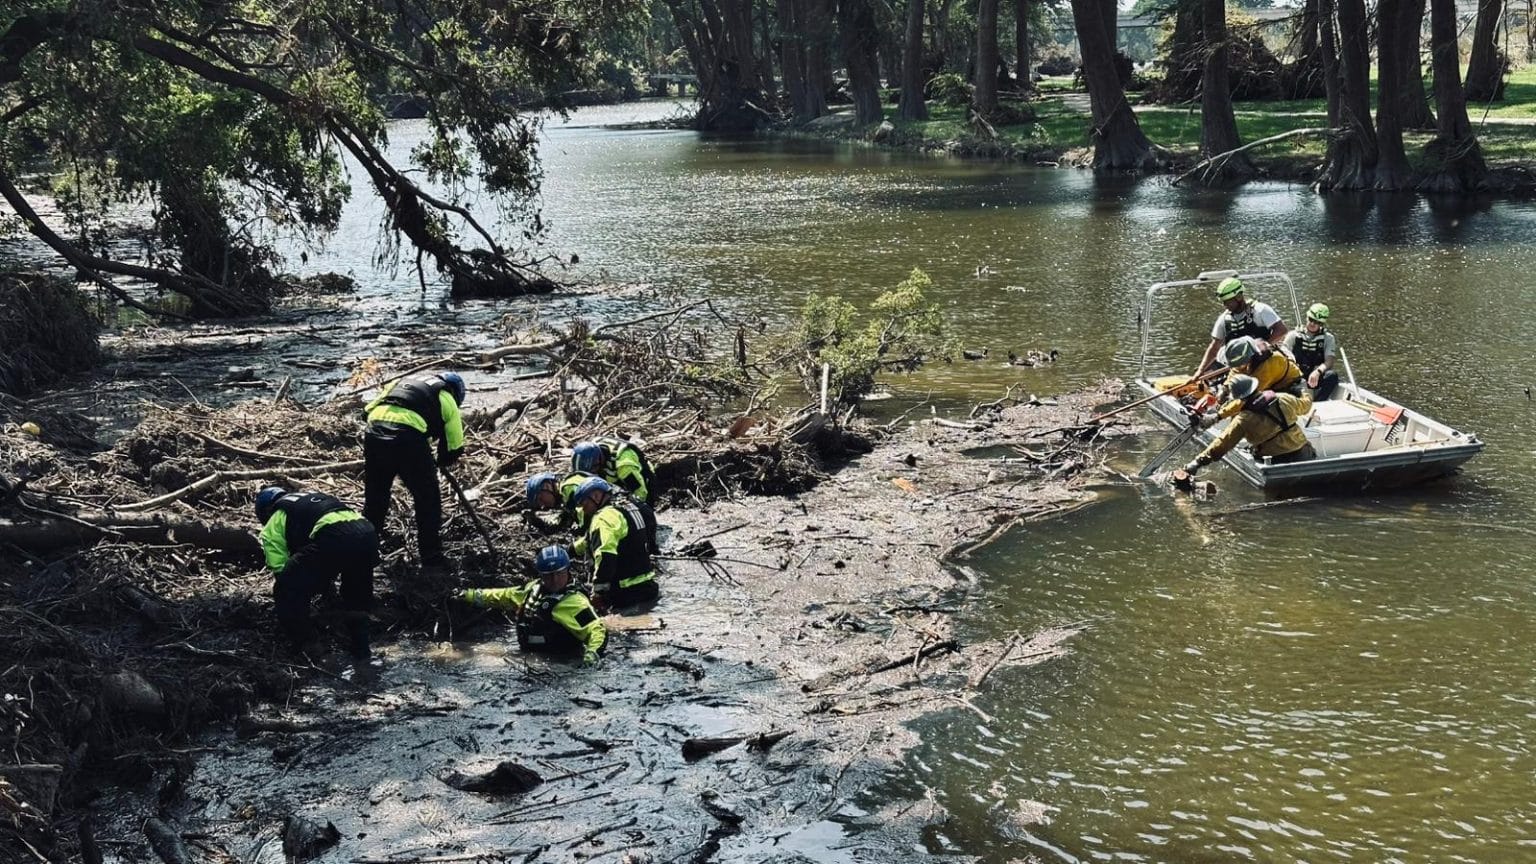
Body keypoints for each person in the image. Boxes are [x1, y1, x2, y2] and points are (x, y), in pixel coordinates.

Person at [255, 486, 378, 660]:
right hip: (367, 533)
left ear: (266, 511)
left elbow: (280, 568)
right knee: (356, 596)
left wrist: (294, 601)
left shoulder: (278, 515)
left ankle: (310, 650)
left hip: (335, 536)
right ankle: (362, 651)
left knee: (286, 588)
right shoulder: (310, 500)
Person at [362, 372, 466, 570]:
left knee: (376, 497)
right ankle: (431, 557)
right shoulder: (446, 397)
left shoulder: (399, 382)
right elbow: (454, 446)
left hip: (374, 432)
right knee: (428, 499)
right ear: (457, 394)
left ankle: (366, 549)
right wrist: (440, 461)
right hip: (407, 439)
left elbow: (366, 412)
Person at [456, 545, 606, 666]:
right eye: (548, 575)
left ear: (567, 570)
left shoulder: (575, 602)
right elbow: (505, 595)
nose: (554, 580)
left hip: (561, 664)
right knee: (470, 652)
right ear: (541, 575)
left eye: (559, 573)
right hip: (530, 657)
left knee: (484, 660)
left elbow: (597, 630)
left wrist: (592, 656)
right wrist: (470, 595)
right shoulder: (533, 589)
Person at [1183, 375, 1315, 474]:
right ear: (1255, 386)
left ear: (1239, 398)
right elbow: (1306, 406)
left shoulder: (1244, 419)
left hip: (1275, 460)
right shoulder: (1283, 398)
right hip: (1303, 453)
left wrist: (1197, 462)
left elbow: (1223, 444)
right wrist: (1304, 390)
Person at [526, 469, 660, 555]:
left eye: (540, 499)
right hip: (639, 512)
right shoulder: (568, 485)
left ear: (547, 487)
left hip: (637, 517)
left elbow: (589, 531)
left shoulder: (569, 489)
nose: (542, 505)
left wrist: (571, 550)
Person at [573, 477, 659, 609]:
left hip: (625, 593)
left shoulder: (603, 517)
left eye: (585, 504)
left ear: (596, 496)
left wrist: (598, 593)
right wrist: (571, 549)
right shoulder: (628, 507)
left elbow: (606, 556)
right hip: (649, 586)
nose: (584, 510)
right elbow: (591, 539)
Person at [1193, 277, 1289, 376]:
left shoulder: (1260, 310)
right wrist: (1200, 371)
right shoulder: (1223, 319)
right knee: (1211, 368)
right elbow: (1214, 348)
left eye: (1228, 301)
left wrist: (1263, 347)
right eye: (1224, 302)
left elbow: (1281, 330)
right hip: (1238, 367)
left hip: (1263, 361)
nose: (1225, 305)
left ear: (1239, 297)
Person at [1217, 336, 1303, 403]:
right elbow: (1236, 371)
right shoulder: (1248, 355)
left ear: (1248, 358)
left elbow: (1250, 395)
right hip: (1272, 385)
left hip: (1291, 388)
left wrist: (1221, 413)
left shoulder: (1268, 365)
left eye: (1239, 364)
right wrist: (1225, 388)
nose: (1237, 367)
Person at [1282, 303, 1339, 402]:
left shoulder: (1328, 338)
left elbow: (1329, 361)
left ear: (1321, 324)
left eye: (1316, 322)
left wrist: (1318, 372)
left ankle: (1318, 402)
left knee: (1332, 376)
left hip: (1315, 375)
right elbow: (1283, 352)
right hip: (1295, 376)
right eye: (1311, 320)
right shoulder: (1293, 335)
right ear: (1307, 318)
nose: (1312, 324)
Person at [571, 437, 655, 503]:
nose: (593, 473)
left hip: (643, 479)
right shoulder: (593, 447)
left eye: (593, 471)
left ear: (598, 461)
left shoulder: (623, 464)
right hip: (615, 476)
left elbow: (641, 492)